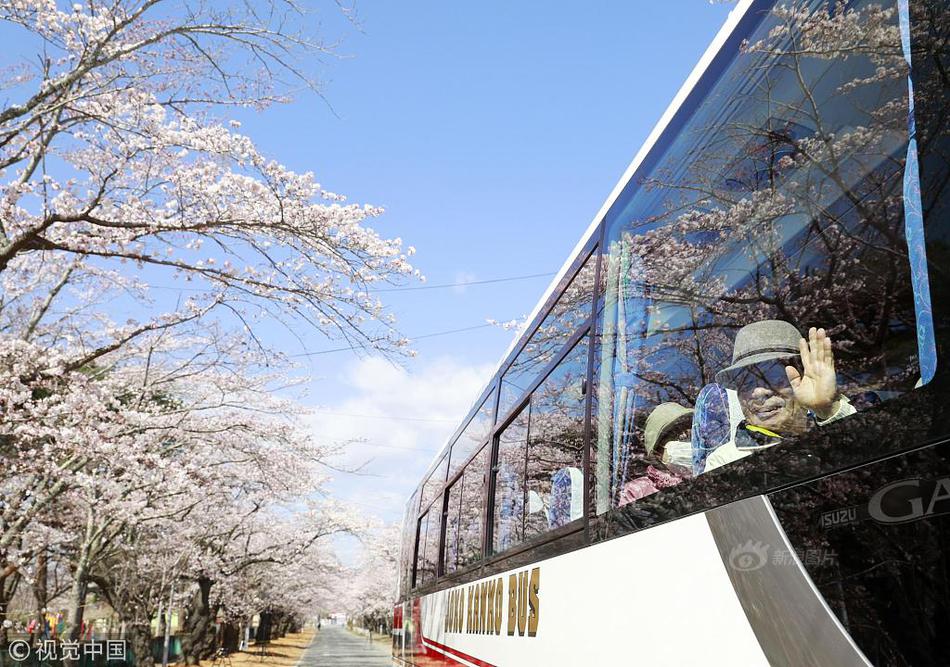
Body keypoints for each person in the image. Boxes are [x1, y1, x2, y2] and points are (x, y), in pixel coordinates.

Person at [704, 320, 855, 473]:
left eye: (774, 376)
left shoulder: (843, 419)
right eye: (746, 383)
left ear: (805, 376)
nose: (758, 393)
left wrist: (828, 409)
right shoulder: (726, 461)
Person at [619, 402, 694, 506]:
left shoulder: (713, 471)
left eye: (688, 430)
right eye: (673, 434)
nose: (684, 437)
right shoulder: (634, 492)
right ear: (657, 452)